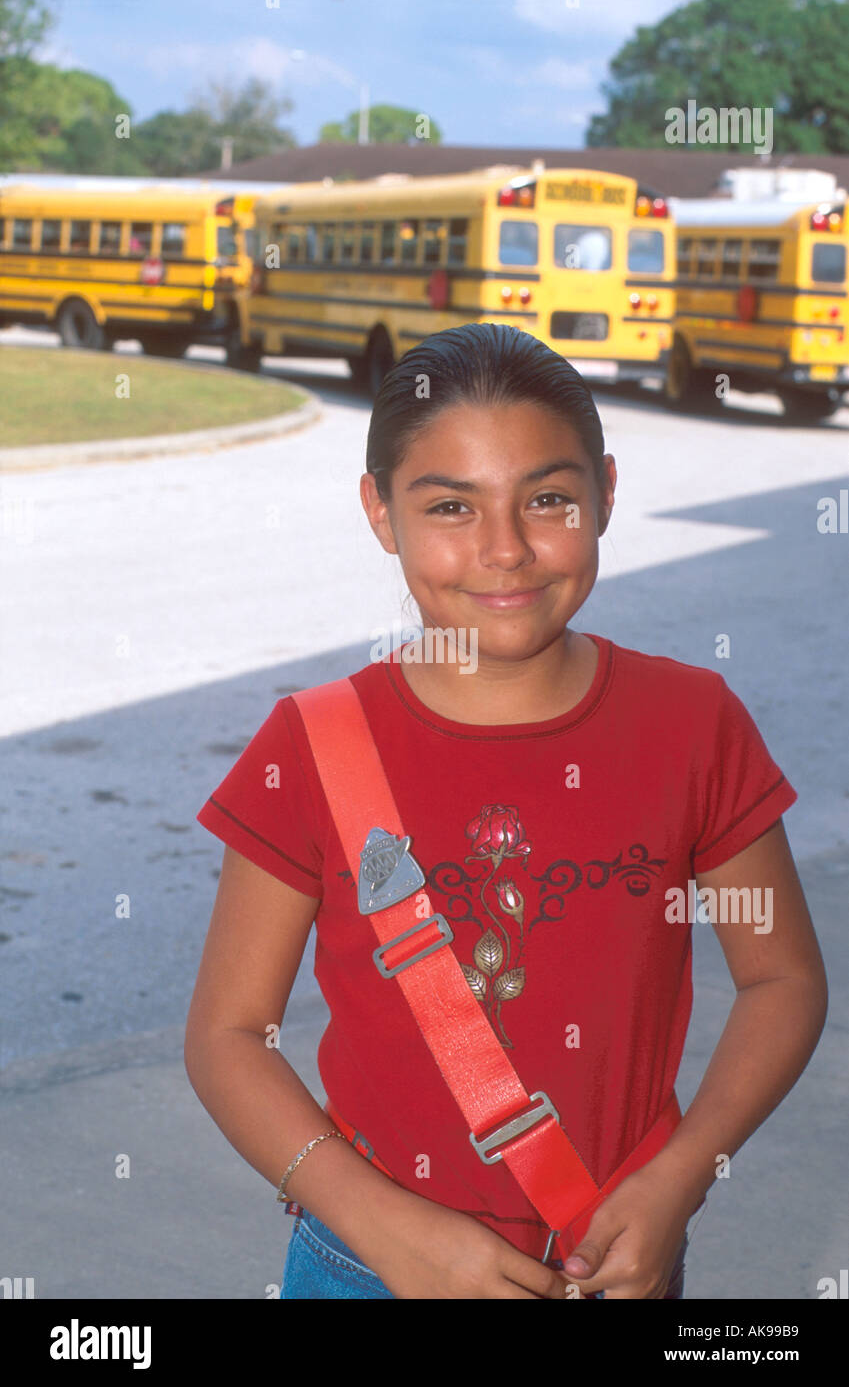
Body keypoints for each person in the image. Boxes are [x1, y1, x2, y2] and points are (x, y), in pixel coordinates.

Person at [185, 322, 827, 1300]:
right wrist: (384, 1225)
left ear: (606, 492)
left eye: (549, 499)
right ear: (381, 512)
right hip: (368, 1264)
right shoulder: (312, 746)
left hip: (613, 1260)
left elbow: (781, 979)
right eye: (451, 505)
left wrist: (679, 1180)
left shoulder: (693, 724)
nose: (506, 549)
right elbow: (228, 1036)